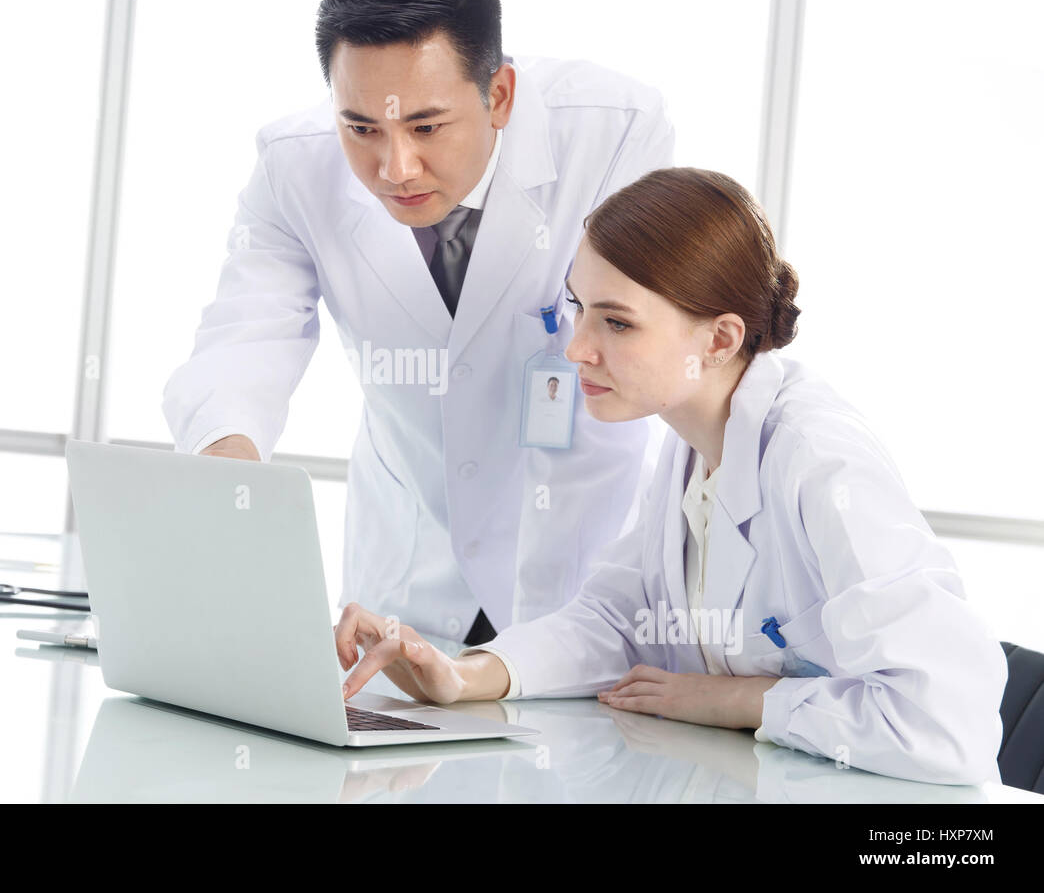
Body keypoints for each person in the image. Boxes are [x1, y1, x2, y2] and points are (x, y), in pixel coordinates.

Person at [335, 167, 1008, 785]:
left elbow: (948, 725)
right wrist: (463, 674)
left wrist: (738, 701)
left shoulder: (820, 462)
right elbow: (618, 622)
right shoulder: (689, 446)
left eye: (617, 322)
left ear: (719, 340)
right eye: (577, 307)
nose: (575, 349)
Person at [162, 0, 674, 644]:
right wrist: (225, 464)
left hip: (577, 572)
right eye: (361, 127)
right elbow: (245, 335)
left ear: (499, 95)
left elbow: (652, 346)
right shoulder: (293, 166)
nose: (395, 167)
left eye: (426, 127)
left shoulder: (612, 132)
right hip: (404, 584)